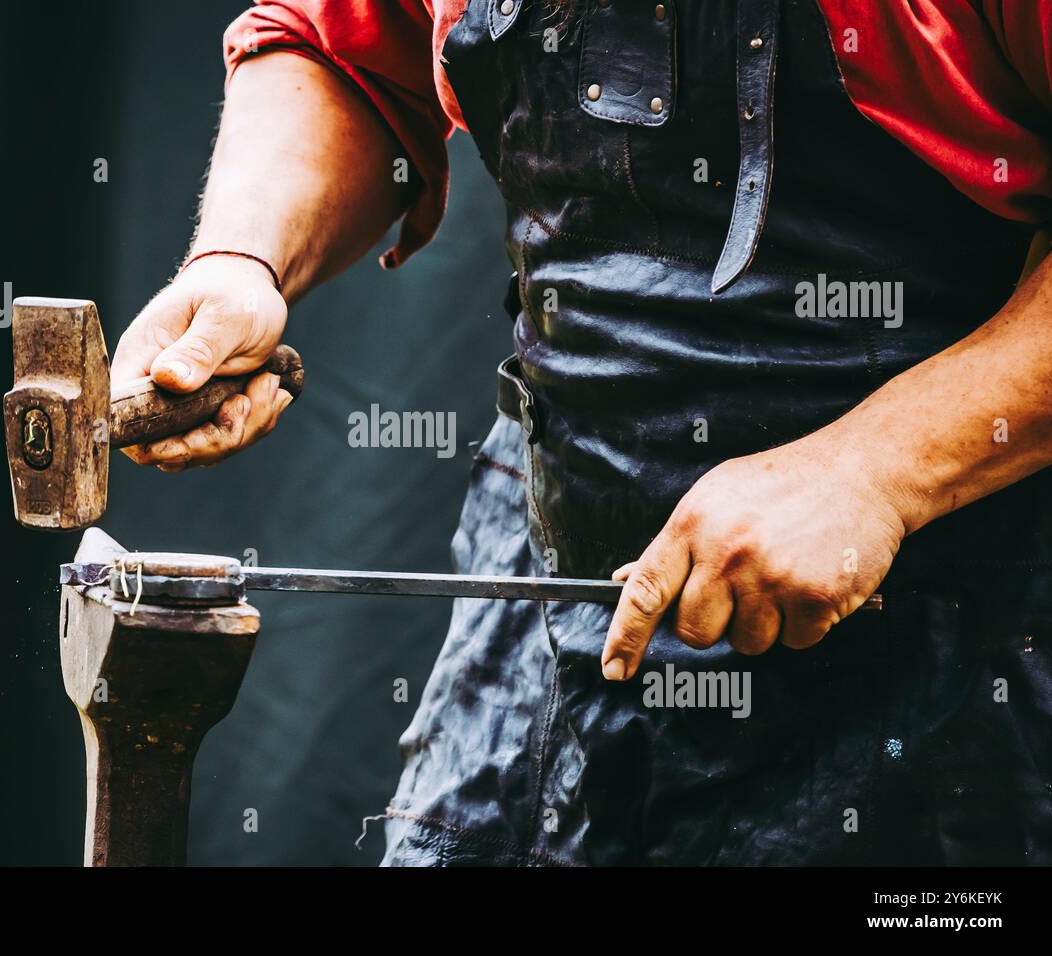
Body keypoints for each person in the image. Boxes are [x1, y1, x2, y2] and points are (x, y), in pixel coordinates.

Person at [109, 0, 1052, 865]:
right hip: (547, 593)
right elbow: (348, 51)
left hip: (951, 642)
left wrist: (871, 472)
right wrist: (244, 254)